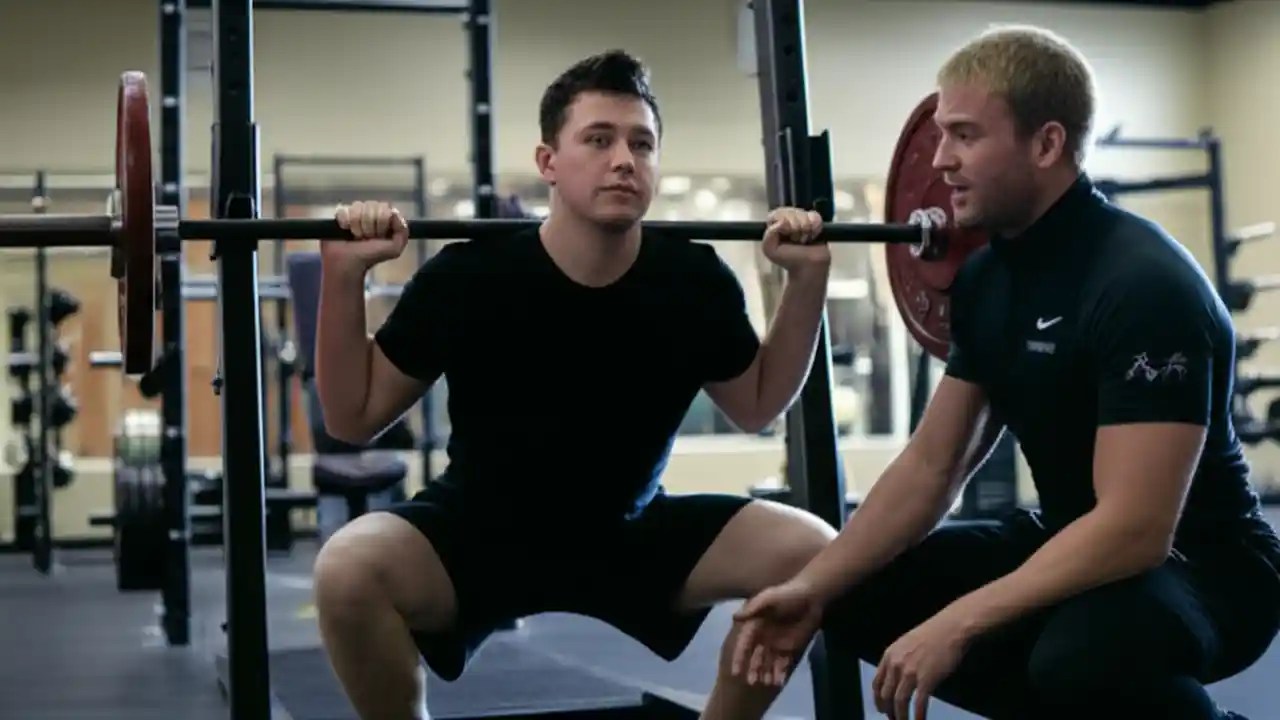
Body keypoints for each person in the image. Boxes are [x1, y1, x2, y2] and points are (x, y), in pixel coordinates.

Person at [732, 24, 1280, 720]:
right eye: (939, 135)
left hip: (1205, 566)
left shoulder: (1143, 285)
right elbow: (934, 465)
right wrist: (812, 585)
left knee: (1079, 657)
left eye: (964, 135)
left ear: (1047, 144)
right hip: (1071, 534)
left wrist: (958, 622)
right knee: (851, 596)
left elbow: (1138, 530)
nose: (941, 160)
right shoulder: (988, 278)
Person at [310, 49, 839, 720]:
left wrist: (807, 281)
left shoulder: (692, 282)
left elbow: (759, 404)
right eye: (599, 139)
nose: (624, 158)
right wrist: (342, 277)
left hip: (629, 533)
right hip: (478, 533)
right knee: (347, 569)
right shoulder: (469, 278)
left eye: (641, 143)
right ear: (548, 162)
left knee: (814, 553)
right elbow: (353, 417)